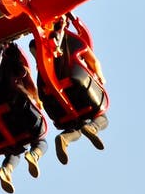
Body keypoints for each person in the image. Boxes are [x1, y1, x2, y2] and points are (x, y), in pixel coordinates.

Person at [29, 15, 109, 165]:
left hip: (51, 96)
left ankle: (65, 138)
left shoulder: (38, 47)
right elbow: (93, 61)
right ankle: (91, 128)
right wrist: (100, 78)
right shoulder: (75, 41)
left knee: (76, 125)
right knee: (102, 117)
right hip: (78, 87)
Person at [0, 41, 47, 194]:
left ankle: (6, 169)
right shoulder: (13, 63)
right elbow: (29, 84)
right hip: (19, 115)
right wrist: (37, 100)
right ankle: (33, 155)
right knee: (40, 140)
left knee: (13, 151)